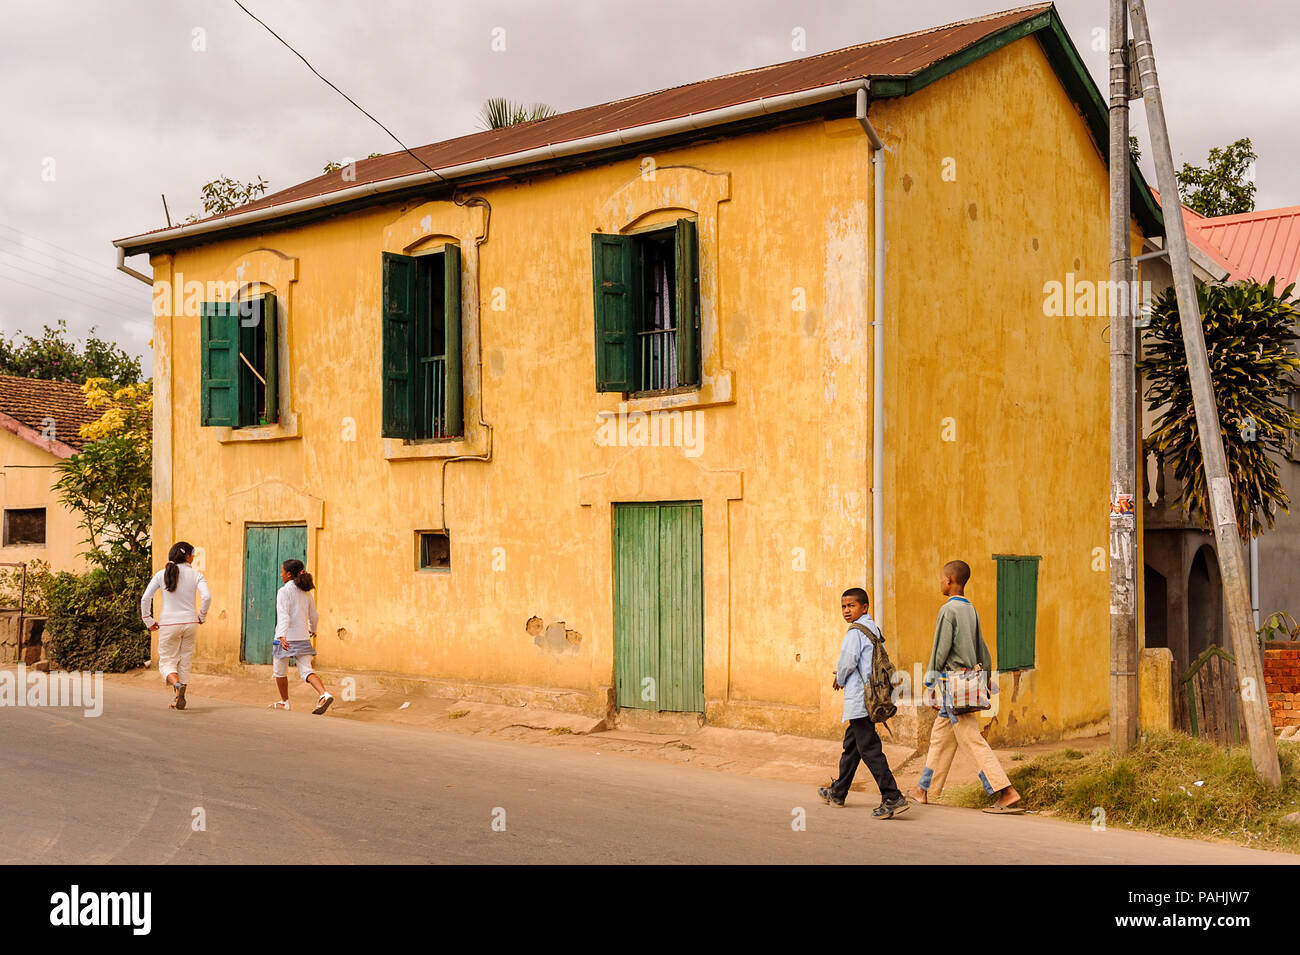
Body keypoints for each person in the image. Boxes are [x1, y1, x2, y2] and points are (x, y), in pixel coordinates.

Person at [909, 559, 1023, 814]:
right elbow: (983, 649)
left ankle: (1006, 791)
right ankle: (922, 790)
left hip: (953, 685)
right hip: (969, 683)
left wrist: (930, 682)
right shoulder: (971, 610)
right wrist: (986, 678)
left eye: (941, 578)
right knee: (940, 738)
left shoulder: (948, 611)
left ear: (949, 581)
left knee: (971, 739)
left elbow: (940, 650)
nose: (940, 582)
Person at [818, 587, 909, 819]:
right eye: (843, 606)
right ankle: (838, 792)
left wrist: (839, 678)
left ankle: (892, 796)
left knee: (869, 748)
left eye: (851, 606)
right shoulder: (872, 629)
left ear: (864, 607)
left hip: (861, 698)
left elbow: (849, 661)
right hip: (872, 697)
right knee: (852, 746)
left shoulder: (855, 633)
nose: (846, 611)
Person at [140, 541, 211, 711]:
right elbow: (207, 597)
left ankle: (177, 686)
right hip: (191, 623)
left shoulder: (161, 574)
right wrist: (201, 616)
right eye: (192, 554)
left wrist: (148, 620)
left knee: (166, 662)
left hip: (169, 623)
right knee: (184, 660)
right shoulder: (196, 575)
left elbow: (145, 598)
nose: (193, 557)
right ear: (187, 556)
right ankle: (179, 695)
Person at [269, 559, 333, 715]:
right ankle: (324, 694)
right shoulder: (306, 593)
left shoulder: (283, 591)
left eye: (282, 571)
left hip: (286, 637)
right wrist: (313, 630)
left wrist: (281, 635)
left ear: (289, 574)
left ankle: (285, 702)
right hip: (302, 636)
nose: (281, 574)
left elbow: (284, 615)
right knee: (306, 670)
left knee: (279, 671)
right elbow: (314, 616)